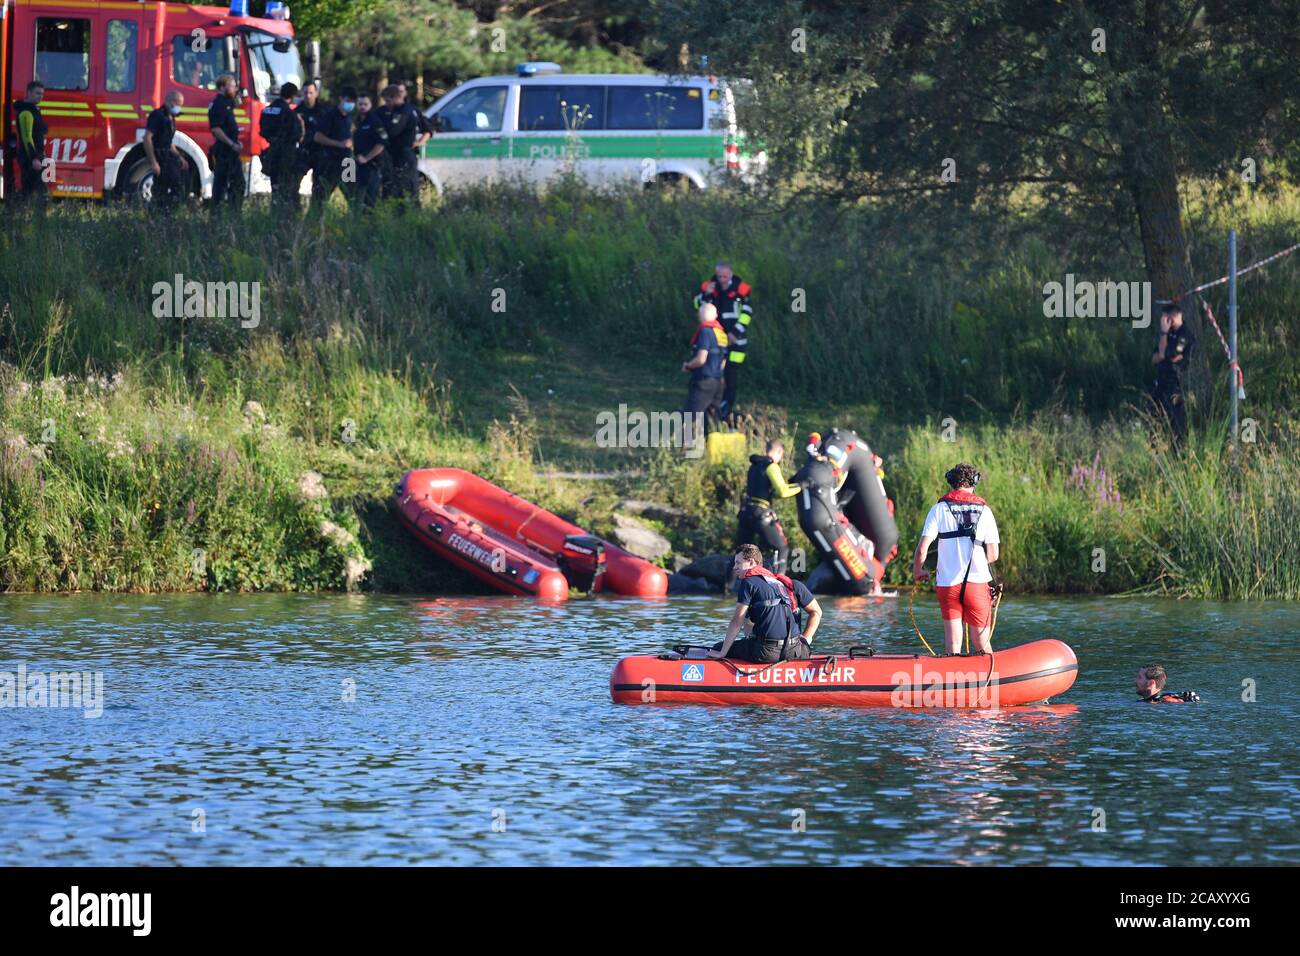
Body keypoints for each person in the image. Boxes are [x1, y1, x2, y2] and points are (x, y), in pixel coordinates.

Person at [911, 462, 1001, 654]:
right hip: (976, 584)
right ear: (974, 482)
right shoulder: (985, 511)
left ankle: (953, 680)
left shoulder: (938, 510)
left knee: (952, 646)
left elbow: (922, 549)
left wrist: (918, 570)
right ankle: (991, 681)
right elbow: (993, 555)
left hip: (948, 585)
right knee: (982, 645)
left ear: (951, 482)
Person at [710, 544, 821, 663]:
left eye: (738, 563)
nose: (734, 567)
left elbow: (737, 622)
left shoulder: (749, 582)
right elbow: (817, 611)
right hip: (797, 652)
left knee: (717, 647)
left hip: (766, 653)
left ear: (751, 562)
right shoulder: (788, 584)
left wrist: (723, 652)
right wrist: (806, 639)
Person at [694, 260, 753, 425]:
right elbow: (699, 307)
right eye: (720, 276)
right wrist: (706, 294)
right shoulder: (710, 287)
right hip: (718, 340)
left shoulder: (741, 290)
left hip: (737, 340)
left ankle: (727, 408)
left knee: (731, 375)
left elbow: (747, 313)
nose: (722, 279)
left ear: (731, 274)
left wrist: (735, 332)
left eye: (725, 276)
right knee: (716, 375)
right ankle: (714, 408)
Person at [737, 439, 801, 574]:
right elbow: (782, 491)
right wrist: (801, 486)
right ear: (779, 451)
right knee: (782, 548)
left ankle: (728, 589)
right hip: (761, 515)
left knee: (742, 552)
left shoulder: (754, 466)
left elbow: (763, 491)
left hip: (746, 513)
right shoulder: (771, 466)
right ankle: (779, 583)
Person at [680, 303, 728, 447]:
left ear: (701, 316)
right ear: (715, 316)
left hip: (704, 381)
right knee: (712, 418)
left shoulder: (705, 331)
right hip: (718, 381)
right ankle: (713, 449)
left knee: (689, 414)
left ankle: (683, 448)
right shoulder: (721, 333)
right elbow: (723, 360)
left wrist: (688, 366)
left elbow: (701, 358)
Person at [1152, 303, 1196, 446]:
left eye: (1166, 317)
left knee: (1176, 425)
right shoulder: (1169, 334)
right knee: (1155, 419)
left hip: (1176, 386)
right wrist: (1163, 351)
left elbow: (1167, 353)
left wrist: (1164, 336)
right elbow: (1154, 357)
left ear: (1174, 316)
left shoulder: (1184, 335)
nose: (1164, 321)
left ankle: (1178, 453)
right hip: (1161, 382)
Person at [259, 81, 304, 209]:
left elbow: (263, 131)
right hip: (286, 155)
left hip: (271, 152)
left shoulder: (267, 110)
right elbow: (297, 135)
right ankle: (285, 216)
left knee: (275, 187)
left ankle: (274, 211)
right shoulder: (289, 113)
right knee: (287, 188)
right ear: (293, 96)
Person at [311, 87, 356, 212]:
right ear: (341, 99)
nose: (350, 104)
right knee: (320, 197)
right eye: (348, 100)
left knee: (353, 194)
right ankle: (315, 224)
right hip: (330, 160)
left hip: (347, 161)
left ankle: (355, 222)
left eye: (353, 102)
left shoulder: (349, 117)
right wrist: (339, 144)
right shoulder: (329, 115)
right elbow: (318, 137)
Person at [143, 91, 188, 209]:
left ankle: (167, 213)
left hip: (168, 156)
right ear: (168, 101)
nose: (179, 107)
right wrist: (153, 162)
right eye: (177, 103)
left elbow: (168, 142)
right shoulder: (157, 115)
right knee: (162, 188)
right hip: (159, 156)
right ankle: (159, 213)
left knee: (175, 185)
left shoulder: (171, 118)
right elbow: (147, 138)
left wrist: (179, 157)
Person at [208, 74, 244, 211]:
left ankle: (232, 213)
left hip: (230, 150)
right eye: (233, 86)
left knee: (236, 184)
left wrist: (236, 142)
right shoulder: (219, 105)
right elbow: (216, 129)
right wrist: (231, 144)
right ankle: (222, 215)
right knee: (222, 186)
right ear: (223, 87)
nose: (235, 89)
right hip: (224, 151)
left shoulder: (226, 103)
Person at [351, 92, 389, 209]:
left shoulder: (375, 121)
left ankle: (371, 223)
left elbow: (382, 143)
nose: (362, 107)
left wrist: (367, 158)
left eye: (365, 104)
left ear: (371, 105)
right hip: (358, 166)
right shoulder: (357, 121)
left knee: (371, 200)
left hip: (372, 166)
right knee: (355, 197)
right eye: (360, 104)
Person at [13, 81, 48, 208]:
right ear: (28, 93)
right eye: (37, 93)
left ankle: (22, 215)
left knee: (32, 191)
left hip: (36, 157)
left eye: (42, 94)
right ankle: (22, 216)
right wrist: (34, 158)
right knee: (34, 191)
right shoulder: (26, 112)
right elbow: (27, 137)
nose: (40, 96)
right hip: (30, 159)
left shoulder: (34, 110)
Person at [292, 81, 326, 203]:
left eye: (311, 92)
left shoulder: (324, 111)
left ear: (316, 93)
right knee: (293, 184)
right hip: (303, 152)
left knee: (319, 187)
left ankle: (315, 216)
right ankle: (294, 214)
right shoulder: (297, 111)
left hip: (320, 152)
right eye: (305, 92)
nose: (308, 95)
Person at [1135, 663, 1200, 702]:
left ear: (1151, 683)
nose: (1136, 681)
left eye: (1140, 678)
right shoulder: (1146, 701)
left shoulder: (1166, 701)